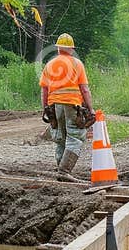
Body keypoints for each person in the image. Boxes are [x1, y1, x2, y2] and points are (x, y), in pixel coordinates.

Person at [40, 33, 94, 179]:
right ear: (71, 49)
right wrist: (91, 108)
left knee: (61, 138)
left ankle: (61, 169)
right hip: (72, 104)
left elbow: (44, 90)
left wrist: (45, 108)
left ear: (58, 49)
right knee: (75, 137)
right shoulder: (77, 64)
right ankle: (64, 172)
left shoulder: (50, 65)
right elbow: (85, 89)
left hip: (55, 105)